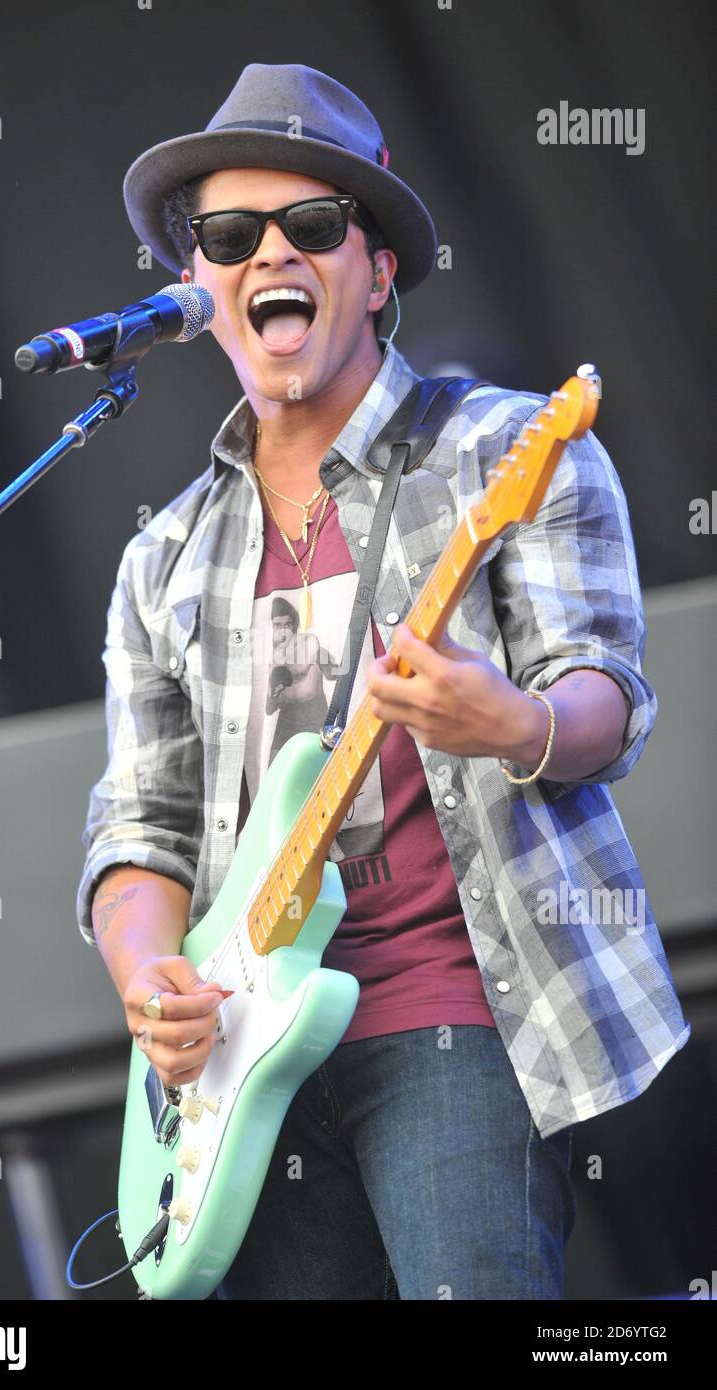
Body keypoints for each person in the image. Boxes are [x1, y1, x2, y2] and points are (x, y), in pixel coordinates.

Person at [77, 63, 690, 1300]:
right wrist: (150, 978)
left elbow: (604, 697)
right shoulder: (163, 556)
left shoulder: (511, 453)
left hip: (453, 1010)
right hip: (246, 1061)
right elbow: (136, 824)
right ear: (191, 282)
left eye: (310, 227)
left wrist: (511, 721)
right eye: (228, 236)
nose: (268, 256)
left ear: (376, 269)